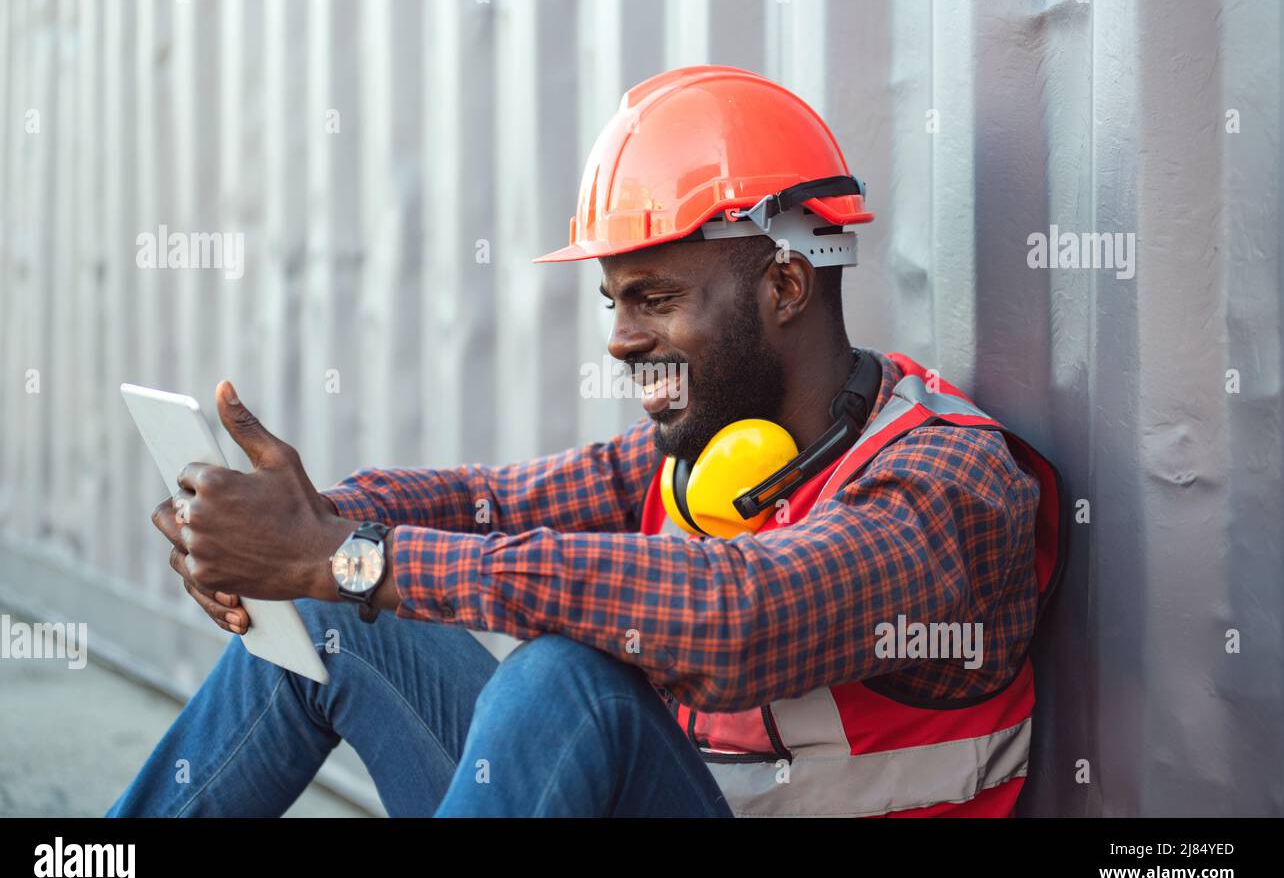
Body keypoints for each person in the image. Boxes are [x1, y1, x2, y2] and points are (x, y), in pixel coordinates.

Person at [106, 65, 1063, 818]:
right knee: (325, 617)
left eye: (654, 298)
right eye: (613, 302)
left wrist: (348, 558)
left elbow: (741, 615)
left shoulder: (948, 485)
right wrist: (285, 532)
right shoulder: (704, 461)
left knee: (562, 678)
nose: (618, 338)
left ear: (783, 287)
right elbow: (484, 502)